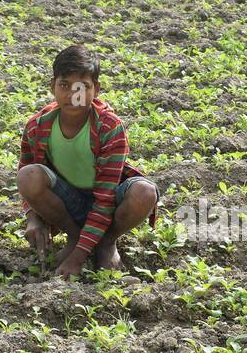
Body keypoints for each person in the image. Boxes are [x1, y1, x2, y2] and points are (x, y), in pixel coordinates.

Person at [16, 45, 158, 276]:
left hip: (110, 201)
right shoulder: (38, 126)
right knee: (28, 176)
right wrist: (33, 218)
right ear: (52, 87)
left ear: (96, 89)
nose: (74, 95)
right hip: (67, 201)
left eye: (83, 87)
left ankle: (106, 242)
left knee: (145, 192)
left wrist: (77, 258)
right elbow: (26, 168)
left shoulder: (109, 127)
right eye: (64, 86)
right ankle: (74, 234)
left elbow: (105, 198)